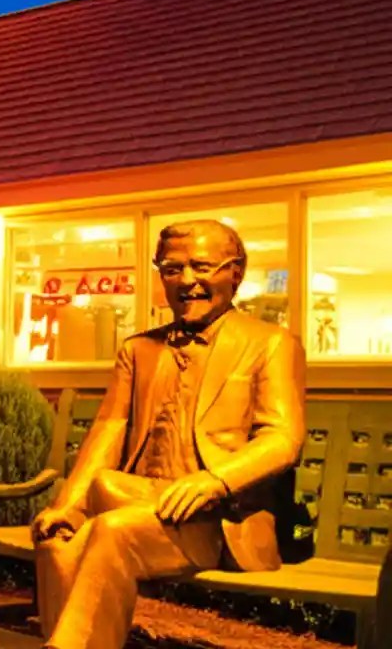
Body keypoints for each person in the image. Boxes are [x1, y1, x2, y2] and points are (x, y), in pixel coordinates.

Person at [31, 219, 306, 649]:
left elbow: (284, 438)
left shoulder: (271, 343)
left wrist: (215, 481)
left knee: (112, 533)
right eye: (173, 269)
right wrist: (66, 505)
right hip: (141, 497)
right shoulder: (138, 350)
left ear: (236, 273)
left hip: (220, 519)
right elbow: (110, 428)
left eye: (202, 267)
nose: (187, 281)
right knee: (57, 538)